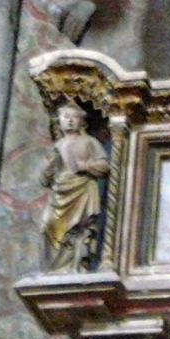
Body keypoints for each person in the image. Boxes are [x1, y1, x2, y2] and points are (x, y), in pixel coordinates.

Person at [39, 103, 111, 271]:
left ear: (82, 122)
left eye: (74, 117)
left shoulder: (89, 142)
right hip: (60, 192)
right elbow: (45, 180)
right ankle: (53, 269)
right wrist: (48, 168)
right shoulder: (57, 146)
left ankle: (76, 266)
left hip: (81, 190)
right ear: (59, 122)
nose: (70, 121)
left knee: (78, 229)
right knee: (46, 227)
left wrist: (87, 166)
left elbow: (104, 165)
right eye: (66, 117)